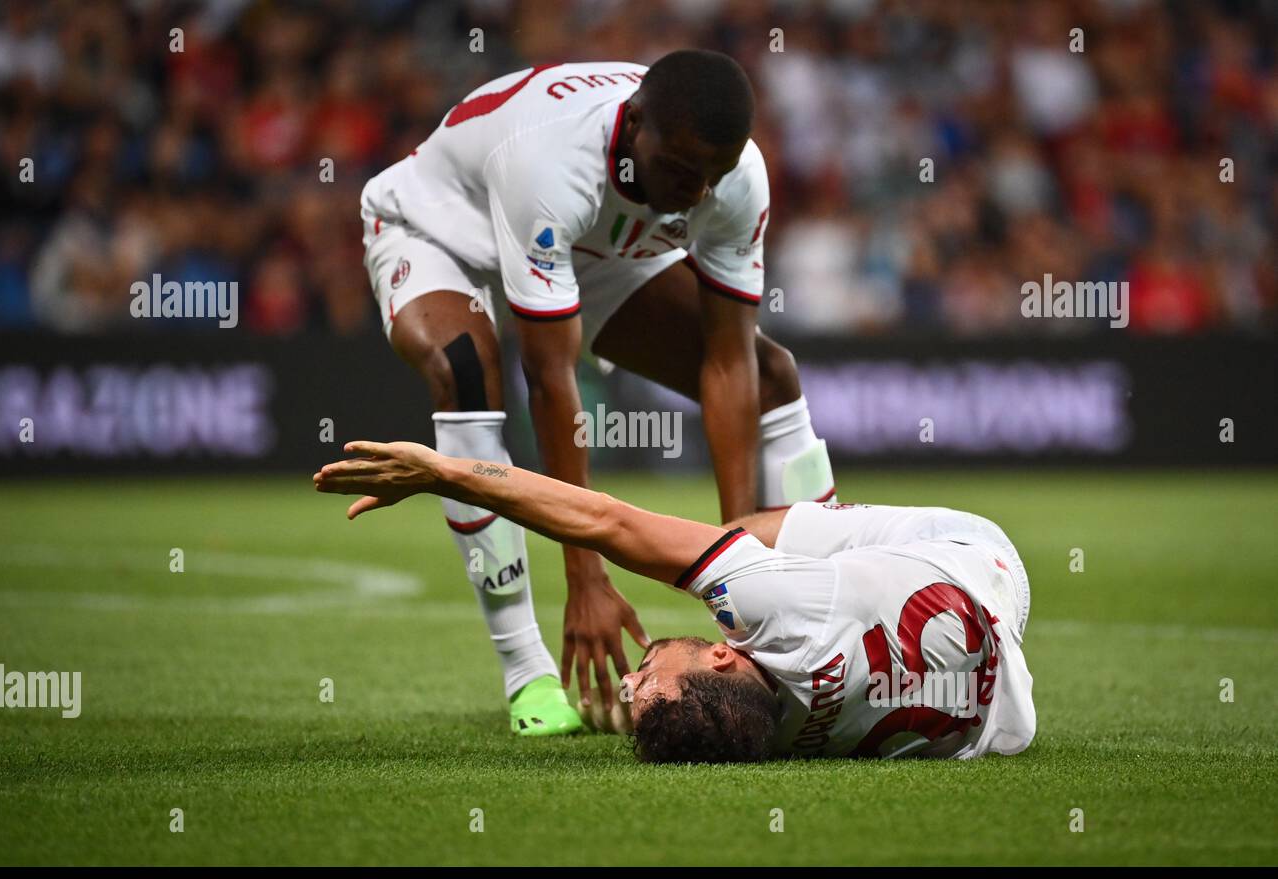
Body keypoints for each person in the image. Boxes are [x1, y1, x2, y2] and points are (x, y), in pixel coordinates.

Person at [358, 50, 836, 735]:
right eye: (680, 170)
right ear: (634, 123)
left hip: (590, 249)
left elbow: (729, 365)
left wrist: (737, 572)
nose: (698, 195)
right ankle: (528, 674)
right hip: (443, 231)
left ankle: (821, 607)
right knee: (465, 371)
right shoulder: (550, 163)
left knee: (773, 375)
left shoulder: (733, 177)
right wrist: (586, 579)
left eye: (713, 177)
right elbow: (552, 379)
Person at [313, 441, 1037, 763]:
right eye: (648, 683)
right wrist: (447, 475)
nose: (629, 677)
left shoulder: (763, 740)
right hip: (968, 549)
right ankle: (817, 501)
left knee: (754, 576)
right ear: (723, 656)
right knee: (737, 539)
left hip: (997, 637)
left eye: (629, 689)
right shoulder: (773, 602)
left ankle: (828, 561)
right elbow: (607, 521)